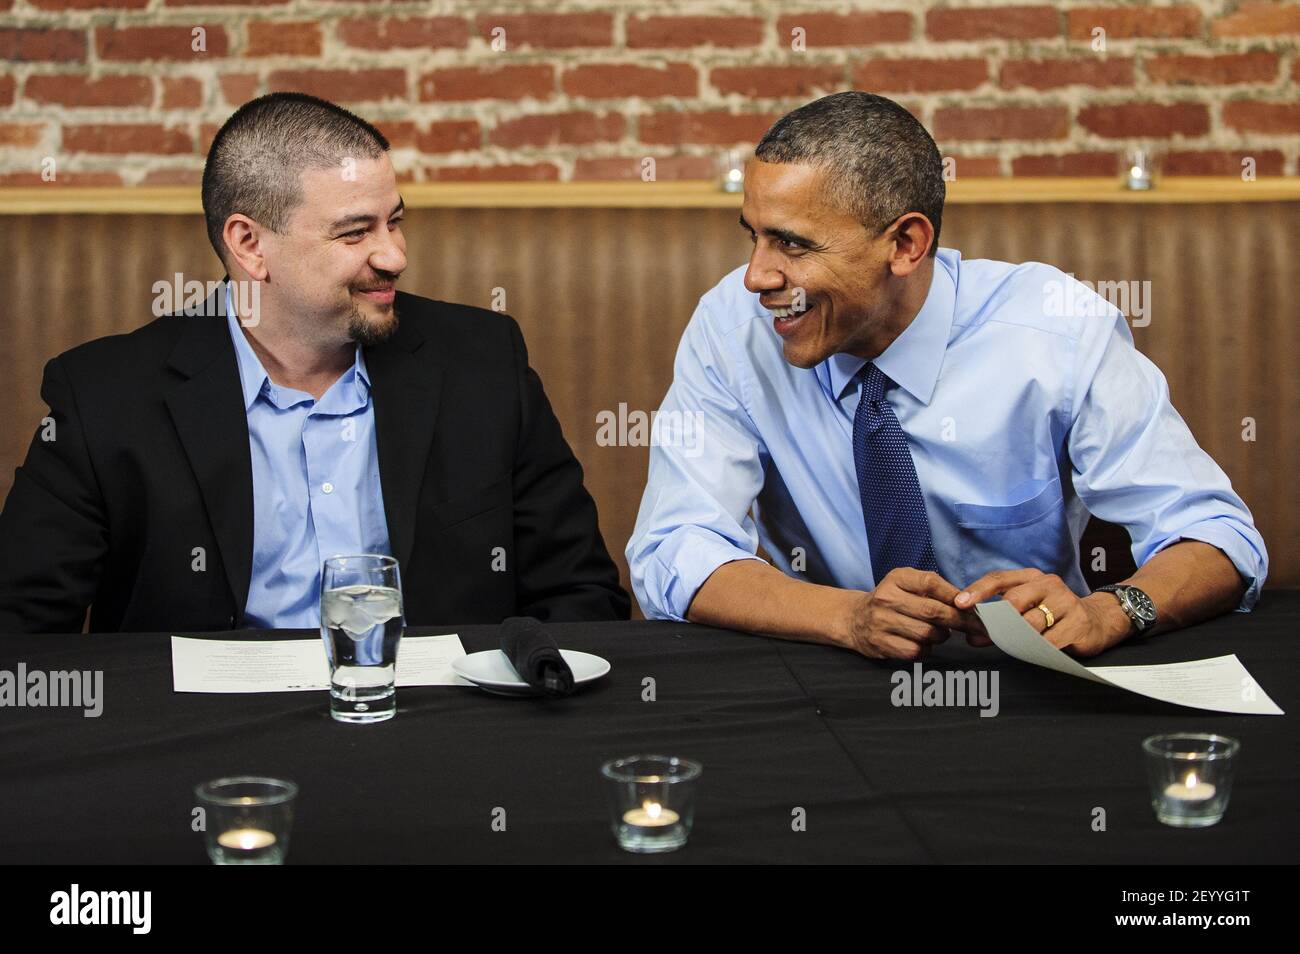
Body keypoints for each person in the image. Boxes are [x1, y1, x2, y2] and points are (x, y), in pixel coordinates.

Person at [627, 91, 1266, 660]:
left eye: (792, 245)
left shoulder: (1058, 330)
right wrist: (848, 617)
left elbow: (1218, 538)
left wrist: (1108, 611)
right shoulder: (731, 328)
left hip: (1032, 685)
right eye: (754, 237)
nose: (756, 277)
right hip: (835, 684)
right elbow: (674, 548)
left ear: (905, 245)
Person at [0, 92, 629, 633]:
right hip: (204, 747)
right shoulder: (104, 397)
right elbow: (19, 626)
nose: (393, 256)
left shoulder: (484, 362)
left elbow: (583, 595)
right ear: (249, 245)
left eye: (395, 222)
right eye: (355, 233)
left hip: (440, 735)